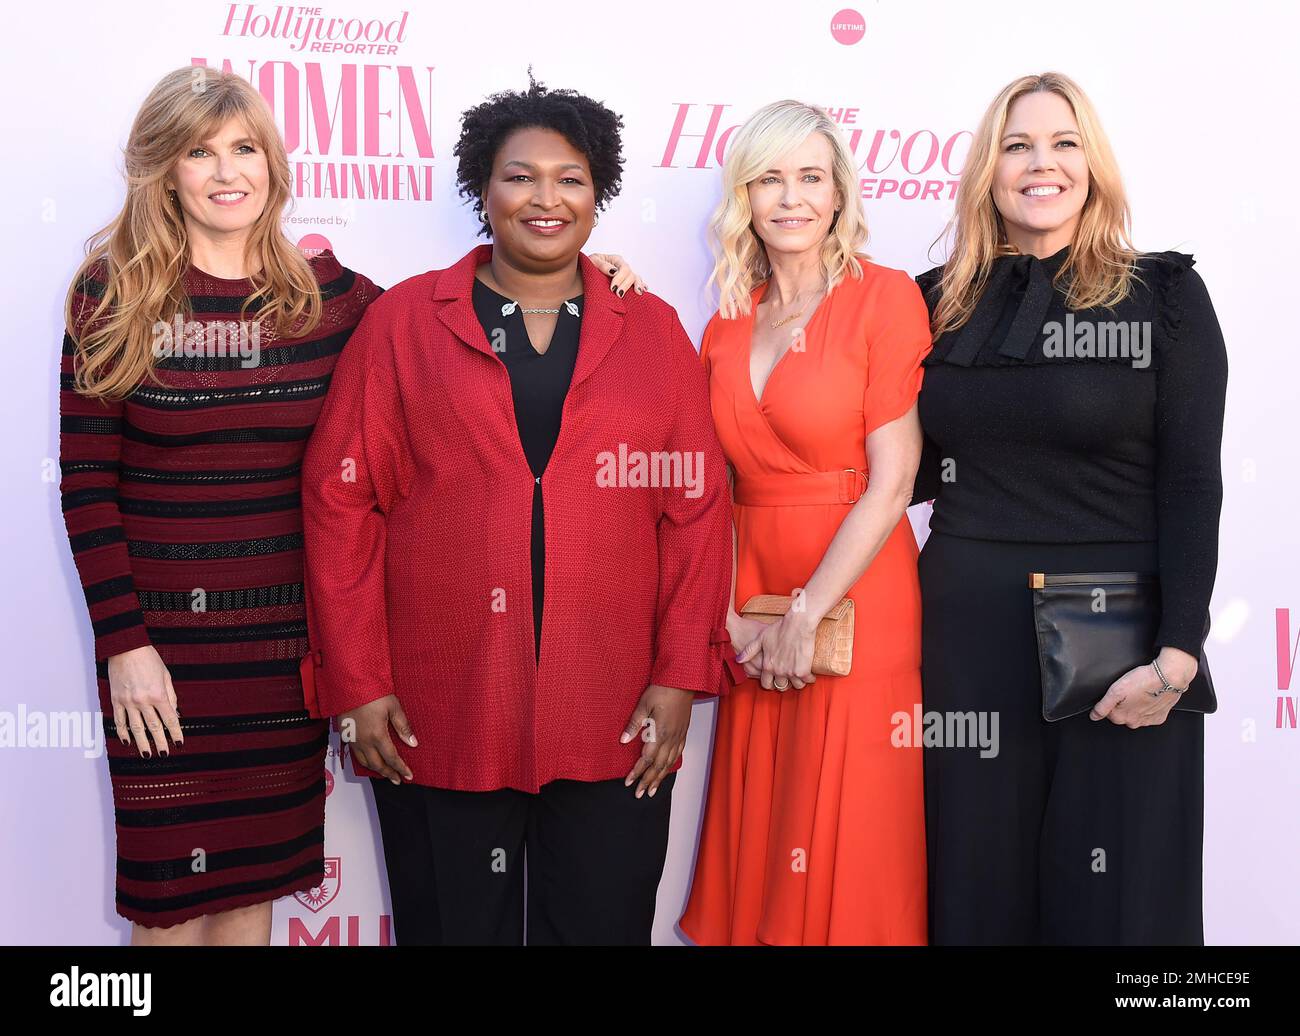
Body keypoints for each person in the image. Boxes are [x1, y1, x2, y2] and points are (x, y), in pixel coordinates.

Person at [299, 75, 732, 945]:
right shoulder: (404, 325)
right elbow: (340, 500)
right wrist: (358, 682)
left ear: (598, 193)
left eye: (570, 178)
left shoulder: (651, 331)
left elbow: (697, 508)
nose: (546, 198)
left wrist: (681, 671)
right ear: (481, 188)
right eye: (519, 175)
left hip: (613, 707)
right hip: (440, 704)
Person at [57, 66, 381, 944]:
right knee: (168, 903)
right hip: (159, 654)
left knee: (250, 893)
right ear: (165, 171)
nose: (227, 171)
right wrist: (125, 647)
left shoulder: (326, 301)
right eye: (200, 152)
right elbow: (86, 487)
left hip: (280, 650)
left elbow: (453, 318)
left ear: (273, 164)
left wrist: (583, 273)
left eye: (245, 148)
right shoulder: (112, 296)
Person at [912, 72, 1227, 944]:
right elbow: (894, 471)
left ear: (1094, 164)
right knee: (974, 890)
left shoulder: (1163, 295)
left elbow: (1193, 483)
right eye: (1017, 146)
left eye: (1063, 143)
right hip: (963, 636)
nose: (1039, 164)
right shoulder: (931, 300)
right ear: (988, 169)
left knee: (1124, 903)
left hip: (1119, 638)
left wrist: (1178, 653)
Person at [678, 100, 931, 945]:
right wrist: (728, 613)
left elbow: (893, 484)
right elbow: (709, 489)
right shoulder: (724, 323)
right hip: (752, 597)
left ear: (839, 193)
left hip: (855, 588)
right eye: (769, 178)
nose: (791, 197)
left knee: (848, 814)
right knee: (769, 805)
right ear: (743, 195)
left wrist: (807, 613)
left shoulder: (883, 299)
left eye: (810, 177)